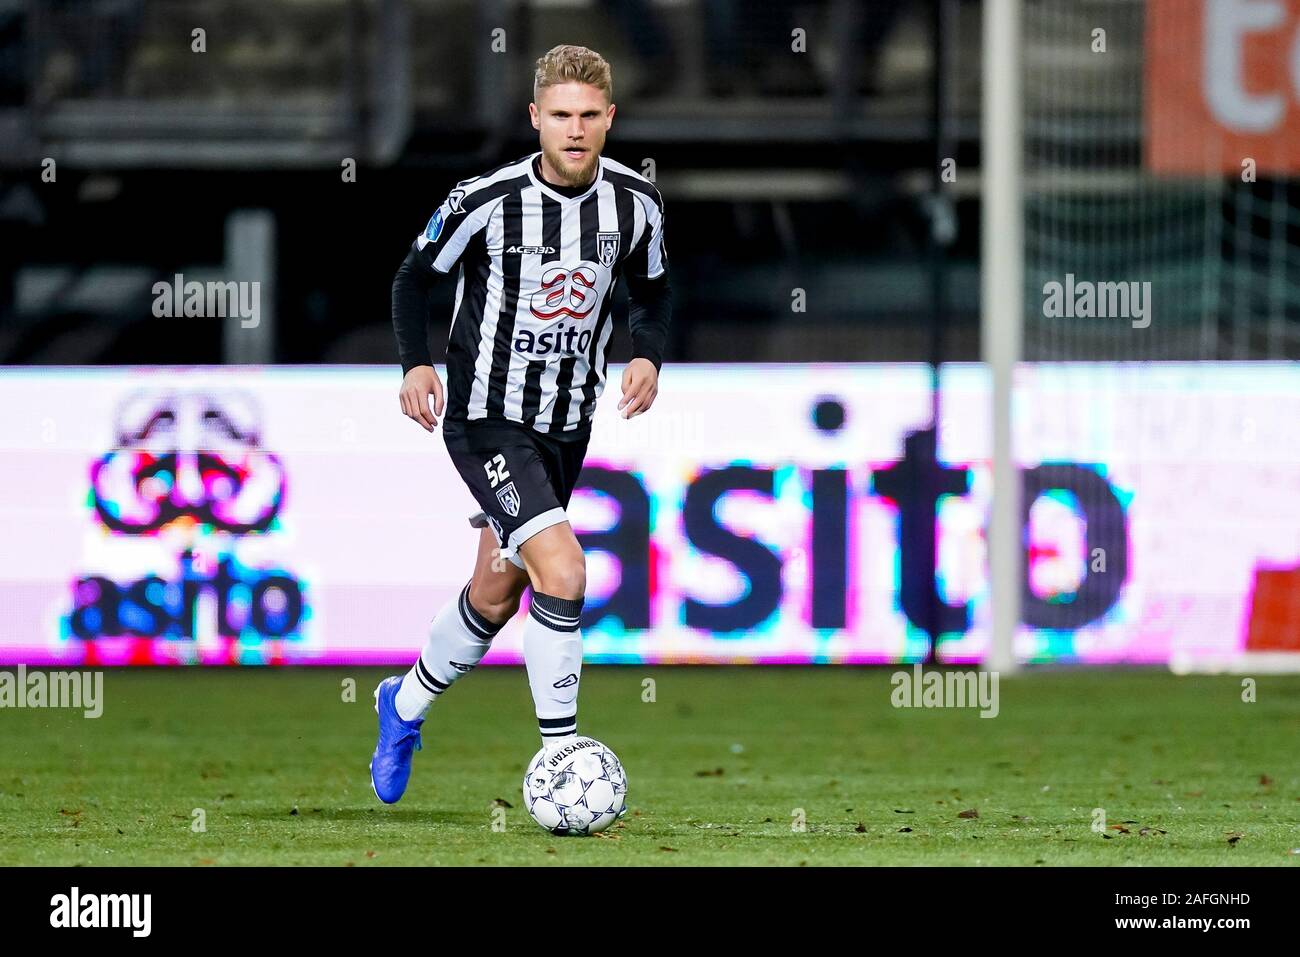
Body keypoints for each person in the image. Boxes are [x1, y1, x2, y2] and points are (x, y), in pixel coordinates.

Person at [371, 44, 672, 804]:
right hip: (485, 418)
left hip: (567, 423)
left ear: (610, 119)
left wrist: (648, 355)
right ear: (535, 118)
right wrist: (415, 364)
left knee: (496, 594)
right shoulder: (484, 200)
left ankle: (400, 707)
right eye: (560, 116)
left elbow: (655, 292)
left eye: (589, 117)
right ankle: (564, 761)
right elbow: (413, 277)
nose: (575, 131)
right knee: (565, 570)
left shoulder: (636, 204)